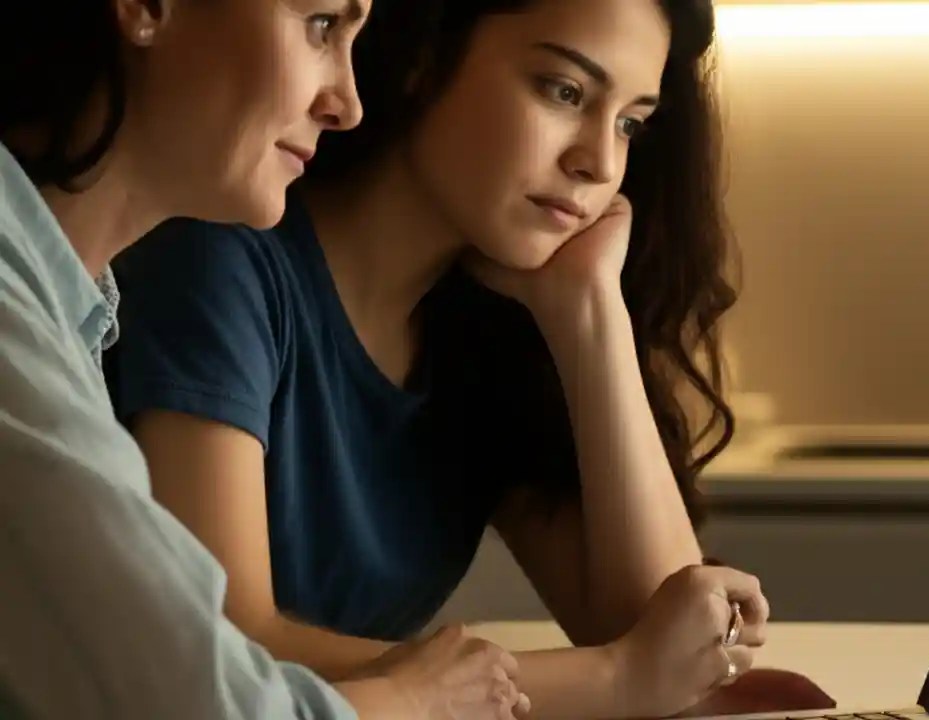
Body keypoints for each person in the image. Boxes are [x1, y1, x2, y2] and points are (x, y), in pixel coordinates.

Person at [105, 0, 770, 717]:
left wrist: (589, 312)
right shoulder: (217, 261)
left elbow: (672, 645)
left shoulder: (481, 341)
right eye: (564, 91)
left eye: (630, 123)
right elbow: (228, 645)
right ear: (425, 58)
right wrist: (610, 680)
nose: (599, 162)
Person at [0, 0, 533, 718]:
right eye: (320, 25)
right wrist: (411, 702)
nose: (346, 103)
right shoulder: (13, 315)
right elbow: (195, 702)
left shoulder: (72, 312)